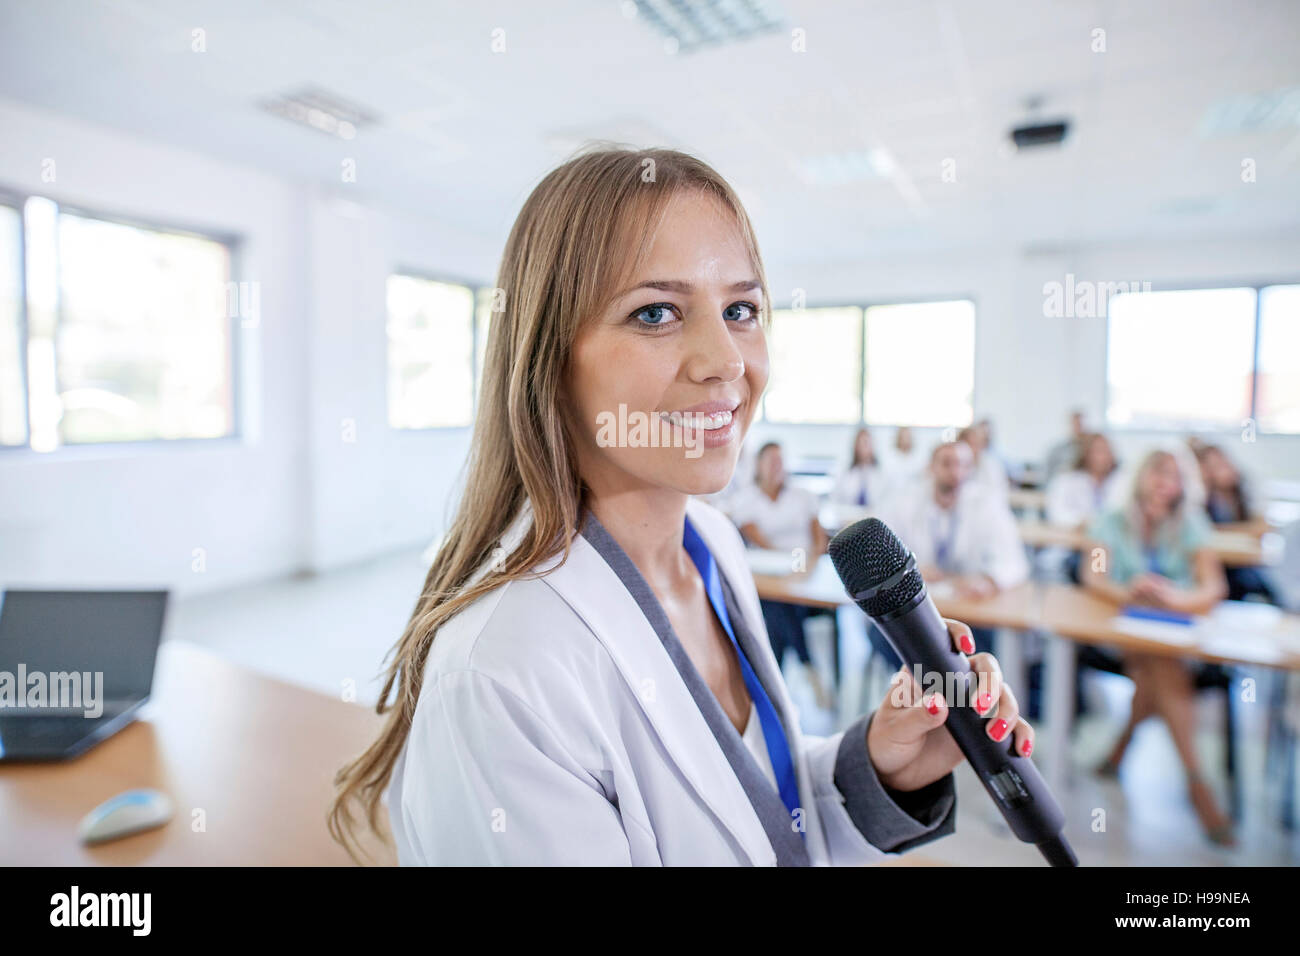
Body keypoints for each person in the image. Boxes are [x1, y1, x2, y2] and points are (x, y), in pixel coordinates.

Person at [329, 147, 1033, 865]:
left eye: (741, 309)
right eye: (657, 312)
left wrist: (878, 767)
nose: (726, 358)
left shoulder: (713, 543)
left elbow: (748, 800)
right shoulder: (501, 676)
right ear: (548, 359)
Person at [1080, 449, 1234, 846]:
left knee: (1158, 664)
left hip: (1175, 629)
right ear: (1140, 475)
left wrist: (1173, 598)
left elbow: (1213, 586)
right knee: (1160, 664)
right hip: (1123, 627)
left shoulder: (1193, 525)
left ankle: (1121, 748)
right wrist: (1127, 592)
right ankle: (1197, 783)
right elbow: (1094, 576)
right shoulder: (1109, 522)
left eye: (1174, 475)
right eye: (1157, 472)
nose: (1165, 482)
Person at [877, 440, 1031, 663]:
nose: (956, 472)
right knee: (887, 637)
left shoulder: (987, 504)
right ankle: (924, 690)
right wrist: (910, 572)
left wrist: (989, 580)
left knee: (979, 645)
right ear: (931, 467)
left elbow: (1014, 561)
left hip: (970, 608)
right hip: (918, 607)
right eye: (947, 464)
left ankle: (953, 692)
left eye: (963, 465)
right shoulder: (904, 501)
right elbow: (881, 553)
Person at [731, 441, 834, 710]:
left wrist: (805, 561)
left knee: (779, 610)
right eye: (771, 461)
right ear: (759, 466)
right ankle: (807, 665)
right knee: (780, 605)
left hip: (803, 570)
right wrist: (785, 559)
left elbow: (819, 538)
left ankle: (771, 682)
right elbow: (756, 537)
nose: (777, 466)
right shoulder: (747, 499)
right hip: (770, 571)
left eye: (781, 460)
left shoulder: (803, 496)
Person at [1195, 443, 1275, 602]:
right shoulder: (1204, 498)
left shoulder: (1244, 492)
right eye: (1215, 466)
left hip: (1245, 567)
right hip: (1221, 567)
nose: (1224, 469)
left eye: (1224, 463)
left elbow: (1263, 528)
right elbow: (1202, 532)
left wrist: (1220, 530)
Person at [831, 427, 886, 509]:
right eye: (860, 444)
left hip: (875, 518)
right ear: (855, 447)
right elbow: (835, 498)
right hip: (848, 518)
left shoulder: (882, 473)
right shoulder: (844, 472)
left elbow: (886, 501)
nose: (863, 448)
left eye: (866, 443)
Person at [957, 422, 1010, 502]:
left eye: (975, 444)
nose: (970, 449)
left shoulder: (991, 465)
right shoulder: (955, 464)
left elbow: (995, 494)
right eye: (967, 444)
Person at [1045, 409, 1087, 480]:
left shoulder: (1091, 451)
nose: (1078, 428)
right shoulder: (1057, 450)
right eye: (1075, 424)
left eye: (1080, 424)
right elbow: (1047, 474)